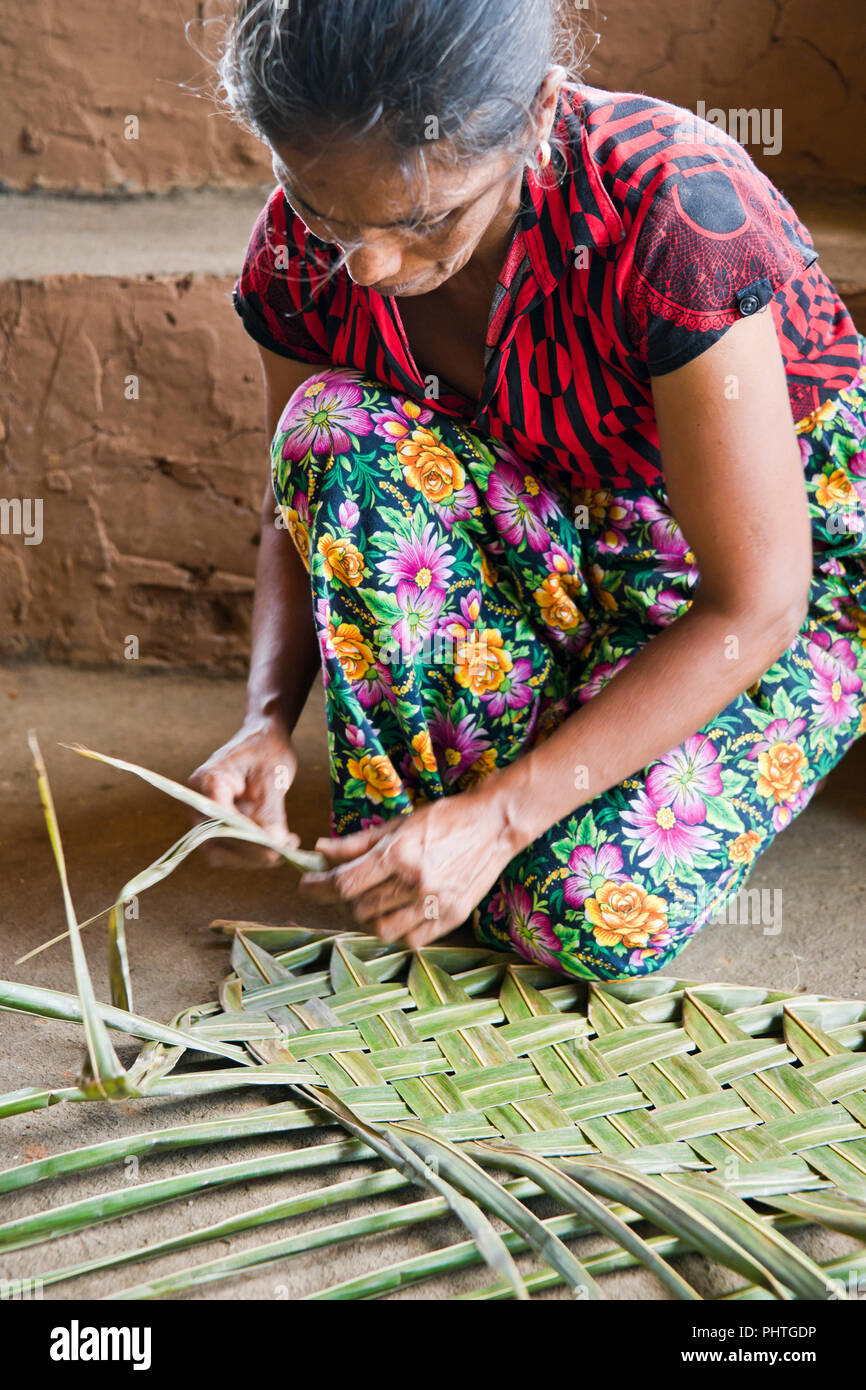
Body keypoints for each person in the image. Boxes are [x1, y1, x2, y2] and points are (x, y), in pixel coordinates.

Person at [190, 0, 866, 981]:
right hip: (550, 552)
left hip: (755, 588)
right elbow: (294, 504)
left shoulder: (673, 210)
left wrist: (503, 814)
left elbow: (755, 603)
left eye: (425, 219)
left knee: (577, 910)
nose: (367, 266)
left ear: (540, 112)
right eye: (324, 211)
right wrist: (265, 721)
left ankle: (519, 799)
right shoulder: (307, 246)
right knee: (328, 427)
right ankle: (496, 799)